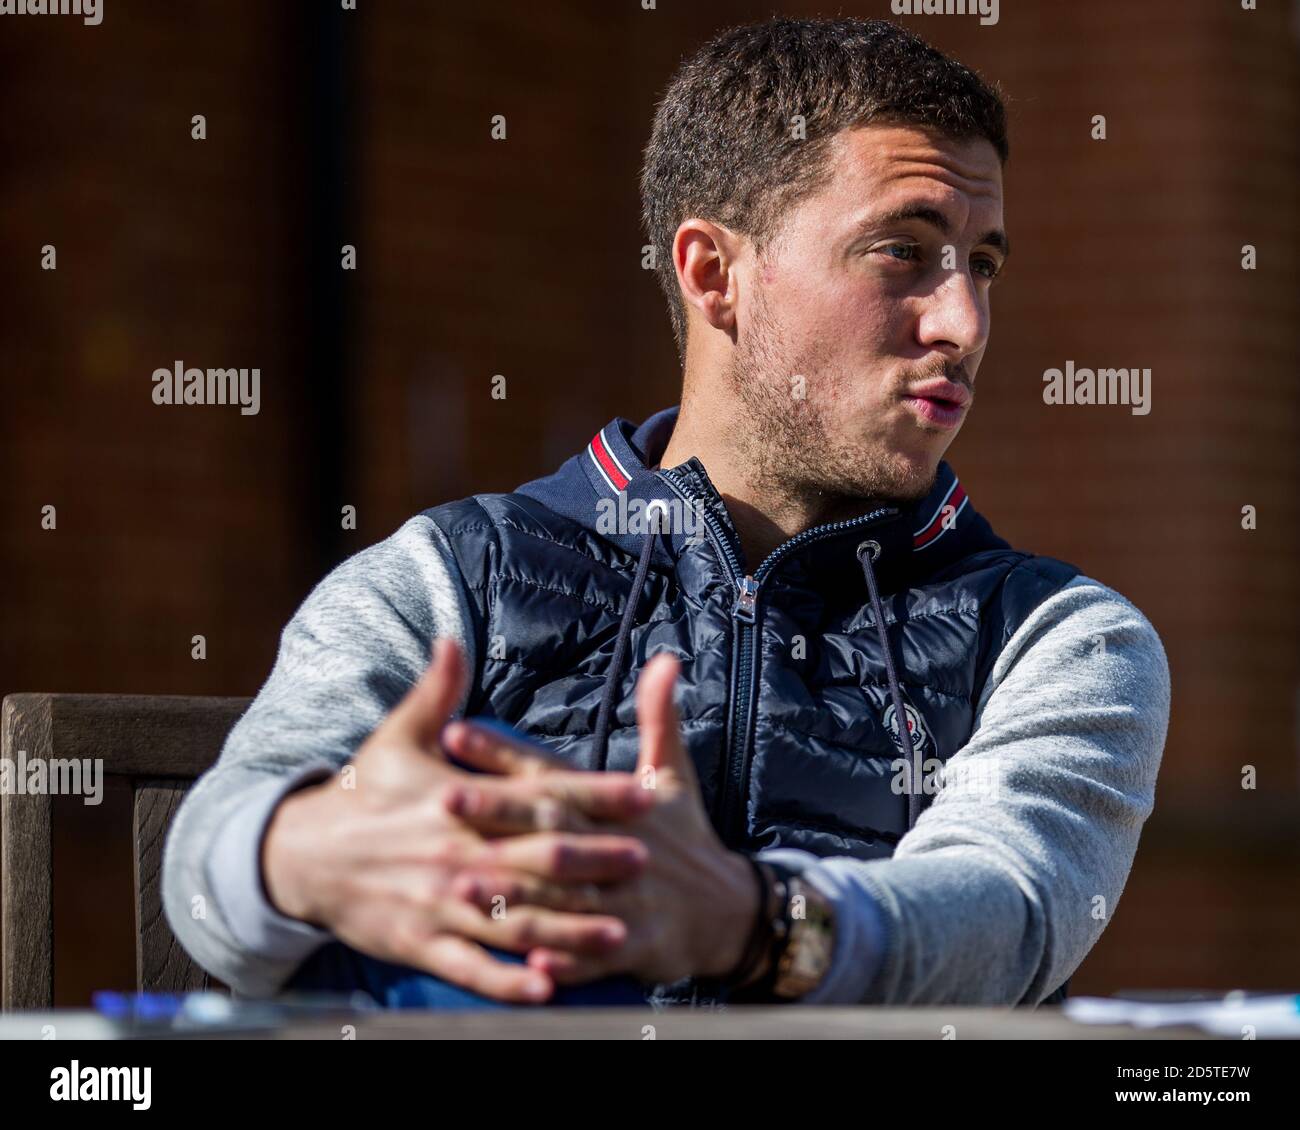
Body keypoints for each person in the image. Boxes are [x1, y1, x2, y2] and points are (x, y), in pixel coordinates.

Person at [163, 16, 1170, 1010]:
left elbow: (1005, 914)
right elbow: (209, 865)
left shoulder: (1061, 635)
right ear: (712, 273)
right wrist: (307, 851)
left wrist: (750, 920)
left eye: (982, 263)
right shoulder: (450, 575)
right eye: (903, 251)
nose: (963, 324)